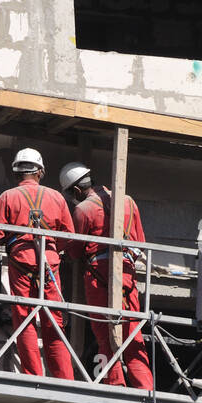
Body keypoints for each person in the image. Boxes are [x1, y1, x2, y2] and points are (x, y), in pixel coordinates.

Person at [59, 161, 153, 390]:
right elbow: (140, 242)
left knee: (106, 336)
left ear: (76, 190)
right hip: (128, 276)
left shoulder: (83, 210)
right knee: (133, 337)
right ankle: (146, 389)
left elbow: (75, 251)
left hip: (98, 277)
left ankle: (116, 386)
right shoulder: (128, 201)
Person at [0, 148, 75, 379]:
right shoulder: (57, 197)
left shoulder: (7, 197)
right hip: (50, 265)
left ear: (17, 172)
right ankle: (64, 378)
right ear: (40, 171)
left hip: (21, 263)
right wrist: (53, 248)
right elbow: (69, 235)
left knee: (24, 319)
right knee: (53, 322)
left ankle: (33, 376)